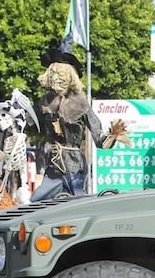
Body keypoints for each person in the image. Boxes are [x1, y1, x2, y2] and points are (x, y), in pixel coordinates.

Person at [30, 37, 129, 201]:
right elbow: (24, 120)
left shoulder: (81, 104)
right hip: (54, 165)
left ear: (70, 76)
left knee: (76, 203)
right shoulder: (45, 101)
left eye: (60, 74)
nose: (56, 77)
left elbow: (100, 139)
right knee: (37, 201)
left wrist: (113, 135)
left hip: (75, 165)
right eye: (53, 73)